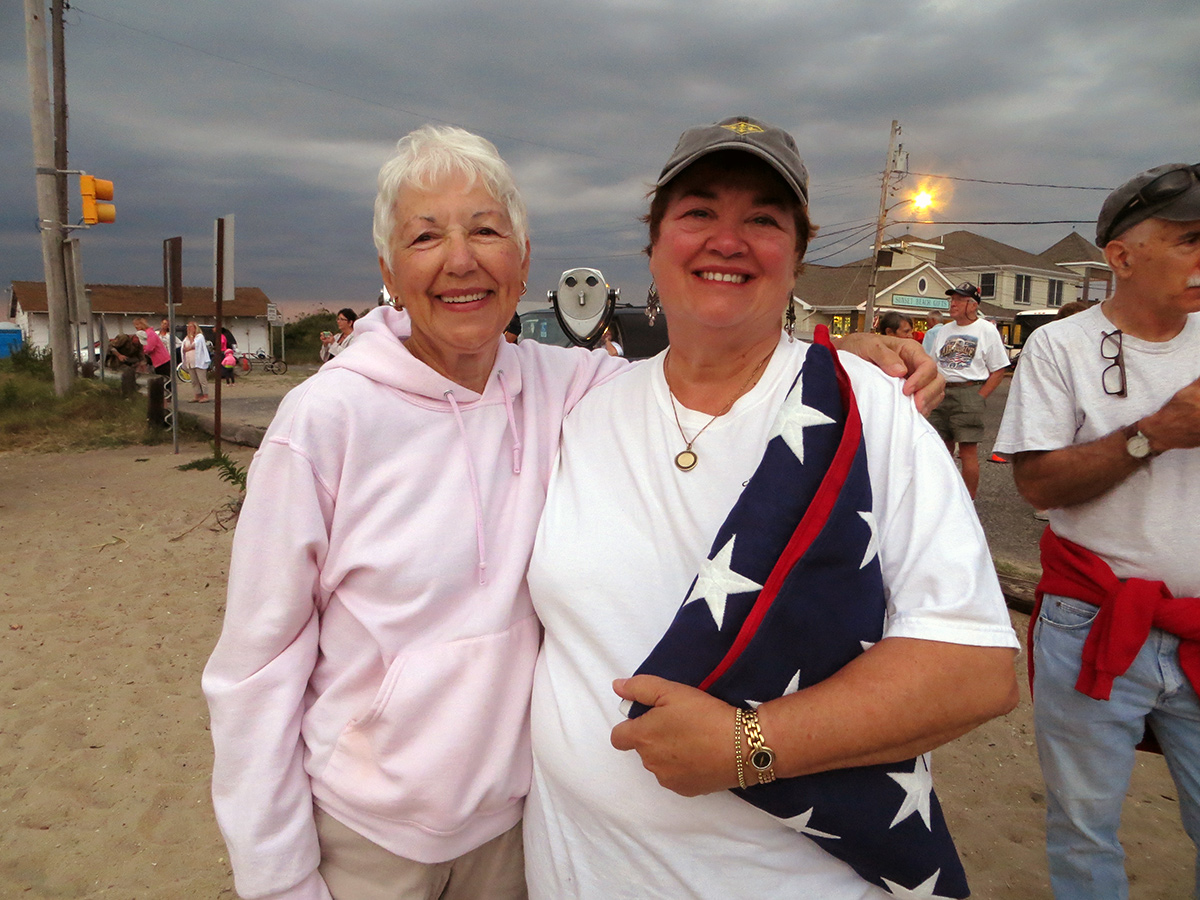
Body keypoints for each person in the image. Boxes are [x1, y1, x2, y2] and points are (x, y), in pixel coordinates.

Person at [201, 123, 945, 900]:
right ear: (389, 267)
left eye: (486, 230)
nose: (461, 259)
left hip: (517, 832)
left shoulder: (566, 386)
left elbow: (702, 361)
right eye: (426, 237)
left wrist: (842, 352)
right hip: (368, 837)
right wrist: (278, 881)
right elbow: (255, 672)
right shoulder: (324, 421)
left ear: (523, 261)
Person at [523, 115, 1020, 899]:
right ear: (653, 246)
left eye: (762, 218)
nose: (728, 239)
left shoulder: (866, 412)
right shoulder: (582, 407)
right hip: (574, 868)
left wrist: (747, 744)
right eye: (697, 213)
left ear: (796, 253)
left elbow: (975, 668)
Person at [993, 162, 1200, 899]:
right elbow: (1037, 483)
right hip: (1094, 622)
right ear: (1121, 256)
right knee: (1084, 826)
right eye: (1189, 239)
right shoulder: (1061, 347)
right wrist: (1156, 433)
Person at [926, 282, 1010, 498]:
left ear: (972, 305)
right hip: (942, 392)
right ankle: (942, 496)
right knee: (940, 448)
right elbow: (934, 364)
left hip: (969, 391)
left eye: (958, 300)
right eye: (951, 299)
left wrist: (979, 398)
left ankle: (968, 499)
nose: (953, 304)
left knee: (967, 451)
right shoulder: (944, 330)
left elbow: (999, 370)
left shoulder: (986, 330)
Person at [182, 320, 211, 402]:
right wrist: (188, 347)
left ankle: (205, 395)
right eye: (188, 327)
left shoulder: (199, 336)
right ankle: (197, 394)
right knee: (194, 380)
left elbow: (195, 345)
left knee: (202, 380)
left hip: (199, 362)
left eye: (191, 327)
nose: (189, 328)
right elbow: (184, 347)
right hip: (190, 362)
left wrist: (191, 338)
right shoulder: (186, 338)